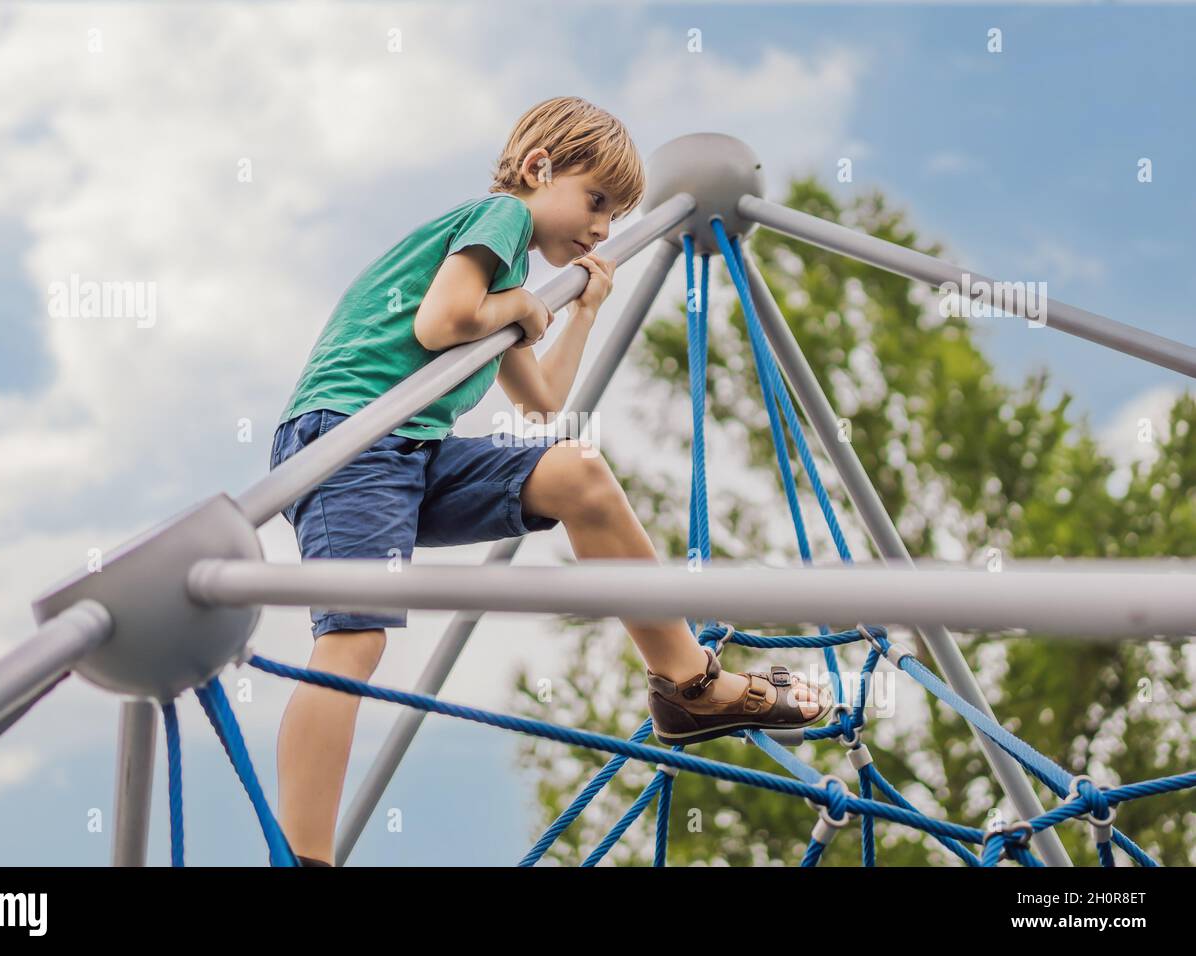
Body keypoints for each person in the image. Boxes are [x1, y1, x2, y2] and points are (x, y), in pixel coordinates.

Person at [268, 95, 833, 867]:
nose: (602, 229)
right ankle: (304, 855)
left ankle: (687, 687)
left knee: (578, 475)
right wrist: (520, 304)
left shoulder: (509, 280)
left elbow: (541, 407)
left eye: (615, 215)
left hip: (415, 448)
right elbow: (441, 323)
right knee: (354, 641)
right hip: (350, 438)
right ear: (539, 170)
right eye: (596, 201)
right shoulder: (500, 219)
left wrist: (580, 314)